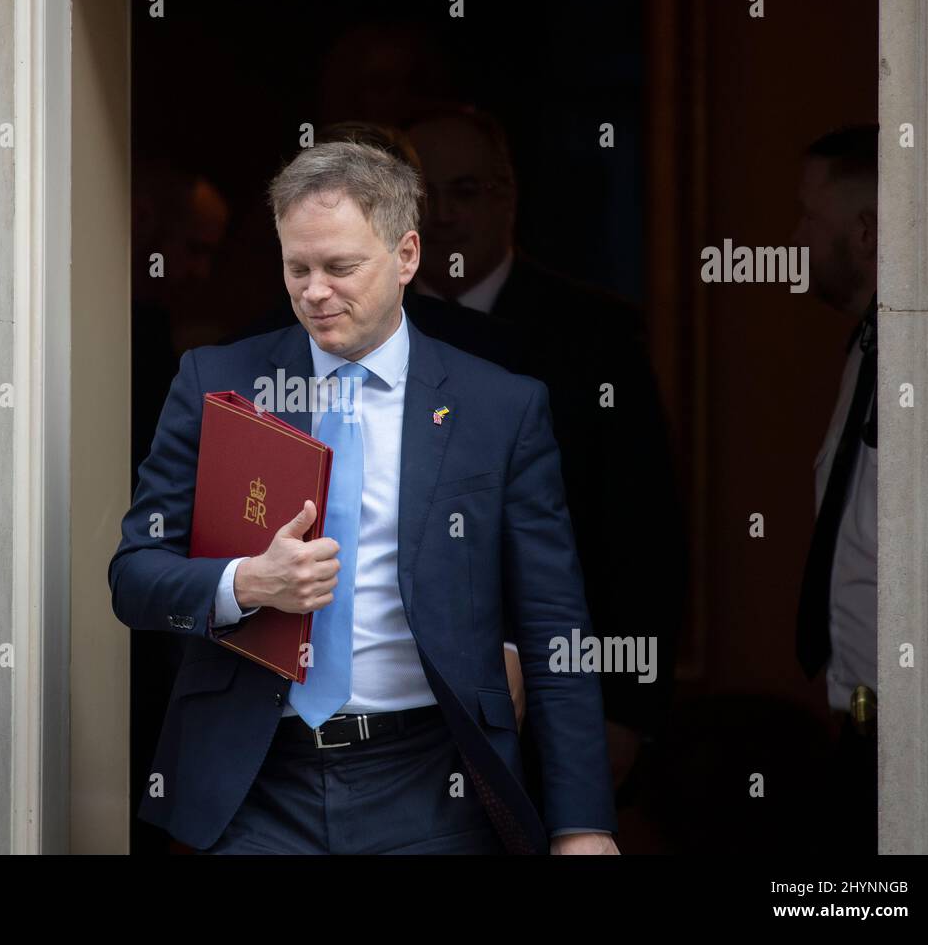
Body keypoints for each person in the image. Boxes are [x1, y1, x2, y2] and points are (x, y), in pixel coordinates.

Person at [108, 139, 618, 854]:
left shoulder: (498, 407)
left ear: (406, 255)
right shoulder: (217, 383)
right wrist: (247, 582)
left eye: (341, 267)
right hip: (255, 780)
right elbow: (133, 577)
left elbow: (554, 625)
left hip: (430, 780)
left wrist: (583, 823)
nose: (315, 291)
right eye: (298, 267)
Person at [406, 106, 685, 792]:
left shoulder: (597, 337)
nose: (440, 215)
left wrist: (624, 711)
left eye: (464, 191)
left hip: (553, 706)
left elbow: (640, 532)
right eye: (422, 195)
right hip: (389, 712)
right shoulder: (353, 327)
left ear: (508, 196)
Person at [792, 124, 879, 854]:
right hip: (862, 724)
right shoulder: (866, 346)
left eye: (808, 219)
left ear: (867, 230)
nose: (794, 240)